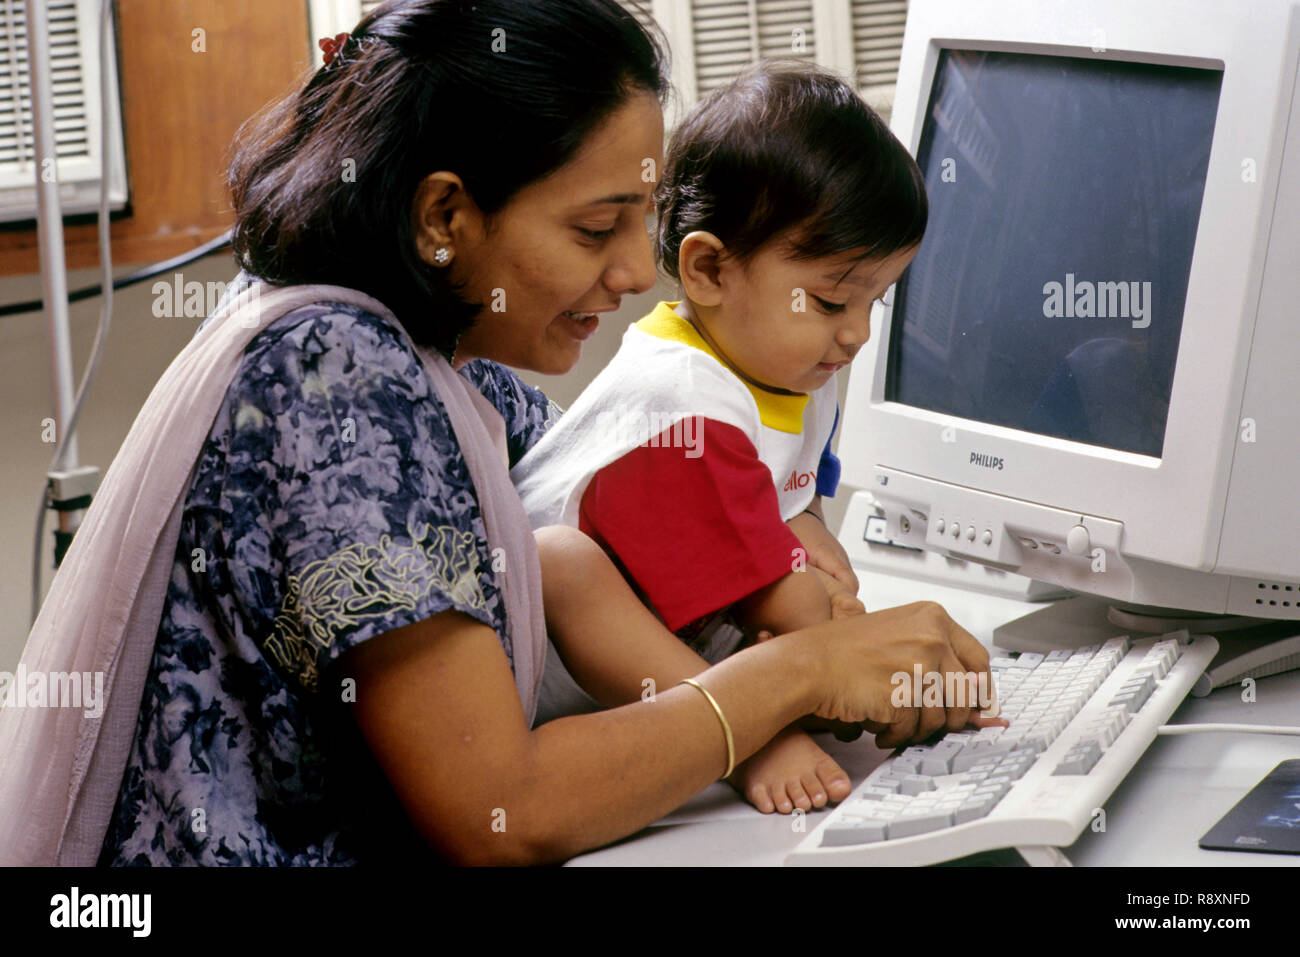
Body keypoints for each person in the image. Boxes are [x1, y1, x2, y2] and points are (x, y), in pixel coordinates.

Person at [0, 0, 995, 868]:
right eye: (594, 229)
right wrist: (803, 672)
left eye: (638, 224)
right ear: (445, 214)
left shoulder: (448, 363)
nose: (628, 275)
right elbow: (498, 809)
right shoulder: (333, 377)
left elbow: (607, 557)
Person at [513, 62, 930, 814]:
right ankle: (745, 740)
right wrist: (848, 648)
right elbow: (780, 599)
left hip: (670, 633)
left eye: (878, 299)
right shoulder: (683, 407)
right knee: (562, 566)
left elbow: (793, 506)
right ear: (707, 270)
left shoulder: (795, 363)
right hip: (533, 671)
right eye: (834, 298)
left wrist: (815, 564)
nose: (858, 333)